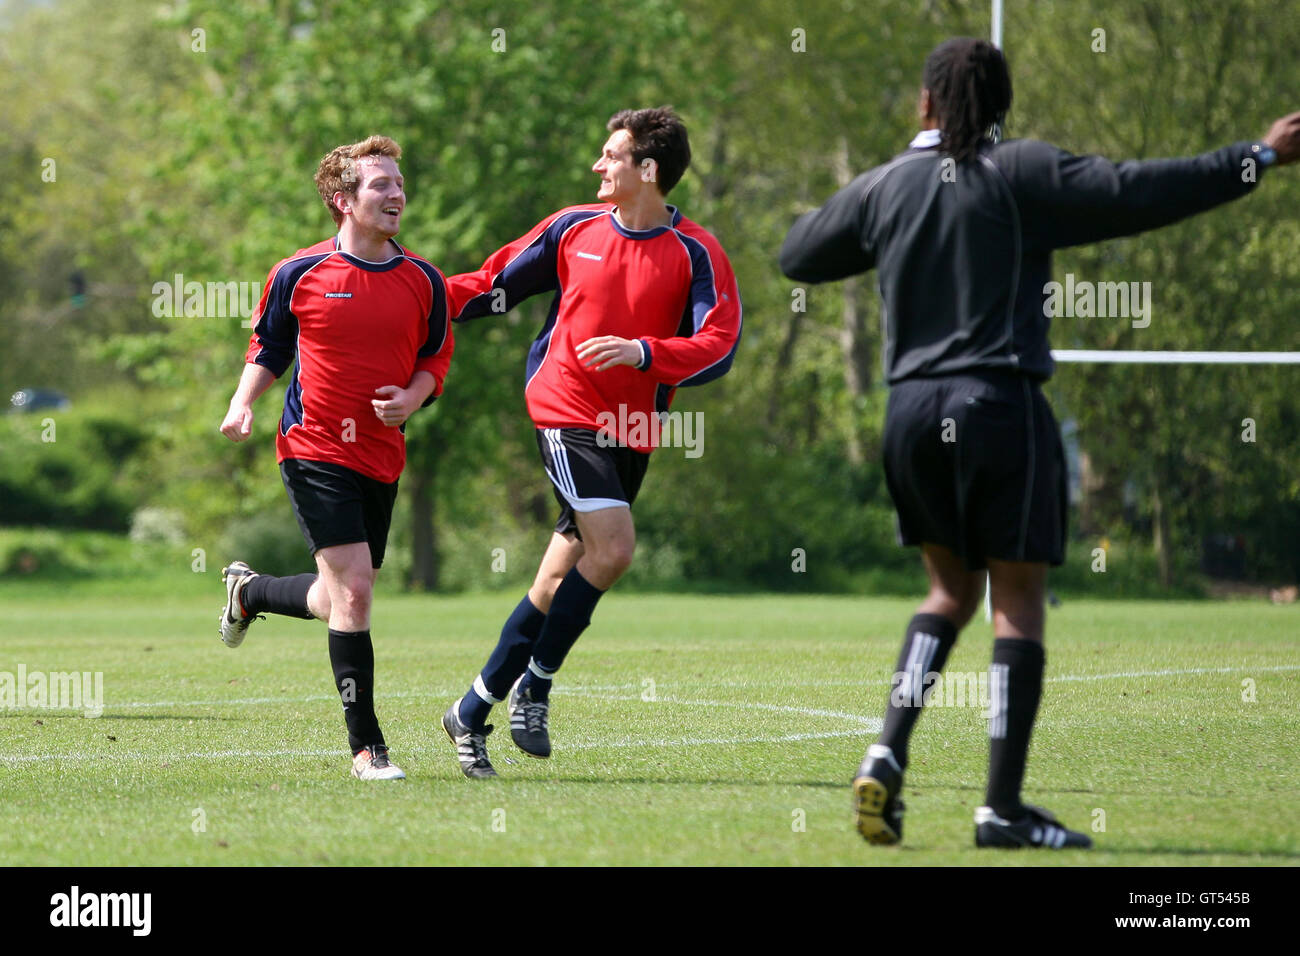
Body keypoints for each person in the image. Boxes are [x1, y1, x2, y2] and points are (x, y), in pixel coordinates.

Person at [780, 37, 1300, 848]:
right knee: (1015, 605)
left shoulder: (887, 186)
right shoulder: (1022, 172)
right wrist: (1257, 157)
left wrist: (885, 200)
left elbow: (798, 253)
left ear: (924, 104)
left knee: (948, 595)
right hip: (1000, 404)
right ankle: (999, 809)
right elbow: (1141, 191)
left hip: (911, 413)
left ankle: (886, 748)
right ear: (1002, 110)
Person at [440, 106, 742, 778]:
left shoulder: (698, 251)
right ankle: (537, 684)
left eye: (612, 155)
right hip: (564, 409)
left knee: (554, 582)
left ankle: (471, 707)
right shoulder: (572, 228)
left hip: (632, 430)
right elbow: (492, 287)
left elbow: (717, 347)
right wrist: (416, 295)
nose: (598, 166)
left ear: (648, 170)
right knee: (616, 547)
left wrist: (643, 353)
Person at [217, 135, 455, 782]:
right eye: (381, 184)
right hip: (313, 445)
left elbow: (436, 358)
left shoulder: (423, 280)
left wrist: (413, 395)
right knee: (355, 590)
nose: (397, 193)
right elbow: (269, 346)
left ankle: (250, 592)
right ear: (341, 199)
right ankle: (368, 748)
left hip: (382, 455)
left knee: (340, 594)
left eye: (399, 182)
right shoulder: (299, 273)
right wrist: (243, 404)